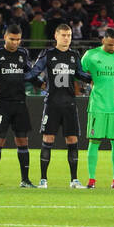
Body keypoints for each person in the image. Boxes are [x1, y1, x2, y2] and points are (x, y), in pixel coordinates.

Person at [26, 23, 85, 187]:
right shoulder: (48, 54)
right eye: (64, 35)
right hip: (52, 104)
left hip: (70, 104)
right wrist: (40, 84)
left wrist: (95, 78)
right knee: (48, 139)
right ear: (56, 36)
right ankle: (43, 179)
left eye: (69, 35)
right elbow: (33, 72)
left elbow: (81, 74)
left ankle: (74, 179)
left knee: (72, 140)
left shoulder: (74, 55)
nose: (67, 38)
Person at [0, 24, 37, 187]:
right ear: (5, 38)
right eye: (12, 39)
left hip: (20, 103)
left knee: (22, 140)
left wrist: (41, 84)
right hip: (2, 103)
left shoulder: (23, 53)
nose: (15, 43)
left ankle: (25, 180)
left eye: (18, 40)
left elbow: (30, 72)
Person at [79, 27, 114, 188]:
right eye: (110, 45)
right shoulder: (90, 56)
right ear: (103, 41)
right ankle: (92, 179)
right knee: (94, 141)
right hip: (97, 105)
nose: (113, 48)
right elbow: (79, 73)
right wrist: (88, 83)